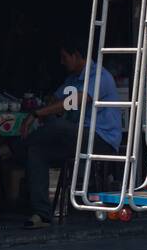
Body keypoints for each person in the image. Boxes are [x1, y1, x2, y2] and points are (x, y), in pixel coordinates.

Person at [11, 38, 123, 228]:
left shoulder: (100, 77)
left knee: (58, 127)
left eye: (64, 57)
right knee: (37, 151)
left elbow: (75, 101)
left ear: (77, 55)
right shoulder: (73, 79)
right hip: (77, 139)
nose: (62, 62)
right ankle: (42, 215)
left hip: (100, 139)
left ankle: (15, 148)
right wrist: (49, 105)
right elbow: (56, 99)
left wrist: (37, 113)